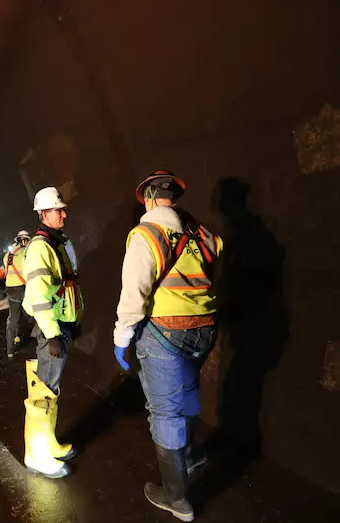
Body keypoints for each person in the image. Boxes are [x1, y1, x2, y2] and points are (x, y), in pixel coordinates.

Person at [113, 170, 223, 522]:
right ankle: (189, 456)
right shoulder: (196, 231)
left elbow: (134, 293)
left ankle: (176, 499)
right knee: (188, 392)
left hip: (166, 333)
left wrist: (122, 337)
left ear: (146, 198)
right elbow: (218, 247)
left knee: (166, 412)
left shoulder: (147, 233)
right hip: (205, 328)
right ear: (174, 197)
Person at [21, 187, 83, 478]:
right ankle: (36, 455)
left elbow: (66, 287)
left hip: (60, 326)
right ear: (44, 214)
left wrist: (71, 322)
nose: (64, 214)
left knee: (51, 388)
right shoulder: (40, 248)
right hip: (50, 330)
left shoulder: (56, 244)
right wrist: (53, 334)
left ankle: (48, 442)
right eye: (59, 210)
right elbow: (38, 295)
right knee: (43, 391)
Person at [0, 230, 32, 358]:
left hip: (11, 290)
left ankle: (11, 348)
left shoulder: (8, 255)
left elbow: (4, 271)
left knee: (14, 317)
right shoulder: (28, 253)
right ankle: (26, 338)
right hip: (25, 289)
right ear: (26, 240)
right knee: (32, 314)